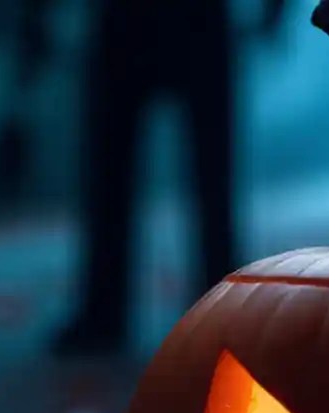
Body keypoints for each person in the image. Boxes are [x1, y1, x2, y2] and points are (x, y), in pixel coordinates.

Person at [48, 0, 288, 355]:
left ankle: (107, 310)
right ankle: (214, 304)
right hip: (181, 20)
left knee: (118, 169)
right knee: (205, 174)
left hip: (145, 20)